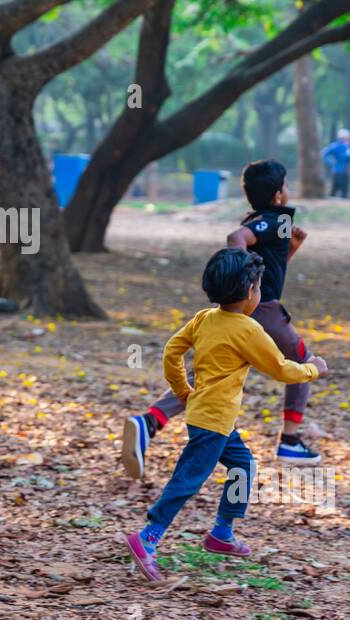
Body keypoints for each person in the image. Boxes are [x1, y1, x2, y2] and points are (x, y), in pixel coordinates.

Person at [122, 248, 328, 582]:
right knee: (186, 481)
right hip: (213, 422)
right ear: (249, 291)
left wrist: (180, 390)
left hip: (211, 417)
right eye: (259, 288)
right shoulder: (248, 330)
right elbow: (280, 369)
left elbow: (173, 349)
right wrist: (312, 370)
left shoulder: (205, 318)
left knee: (243, 467)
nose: (259, 295)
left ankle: (222, 533)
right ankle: (147, 538)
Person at [122, 159, 322, 475]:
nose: (288, 190)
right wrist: (243, 289)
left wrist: (290, 247)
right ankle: (290, 440)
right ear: (278, 194)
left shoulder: (273, 222)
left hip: (260, 304)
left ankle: (150, 421)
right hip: (264, 310)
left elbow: (269, 270)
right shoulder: (268, 221)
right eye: (285, 185)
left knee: (209, 374)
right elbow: (236, 238)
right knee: (302, 360)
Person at [322, 128, 350, 197]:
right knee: (335, 187)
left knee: (345, 189)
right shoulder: (335, 146)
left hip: (346, 171)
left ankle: (345, 203)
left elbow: (349, 159)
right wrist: (332, 162)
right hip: (338, 170)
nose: (349, 138)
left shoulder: (349, 146)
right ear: (342, 137)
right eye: (347, 137)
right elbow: (324, 154)